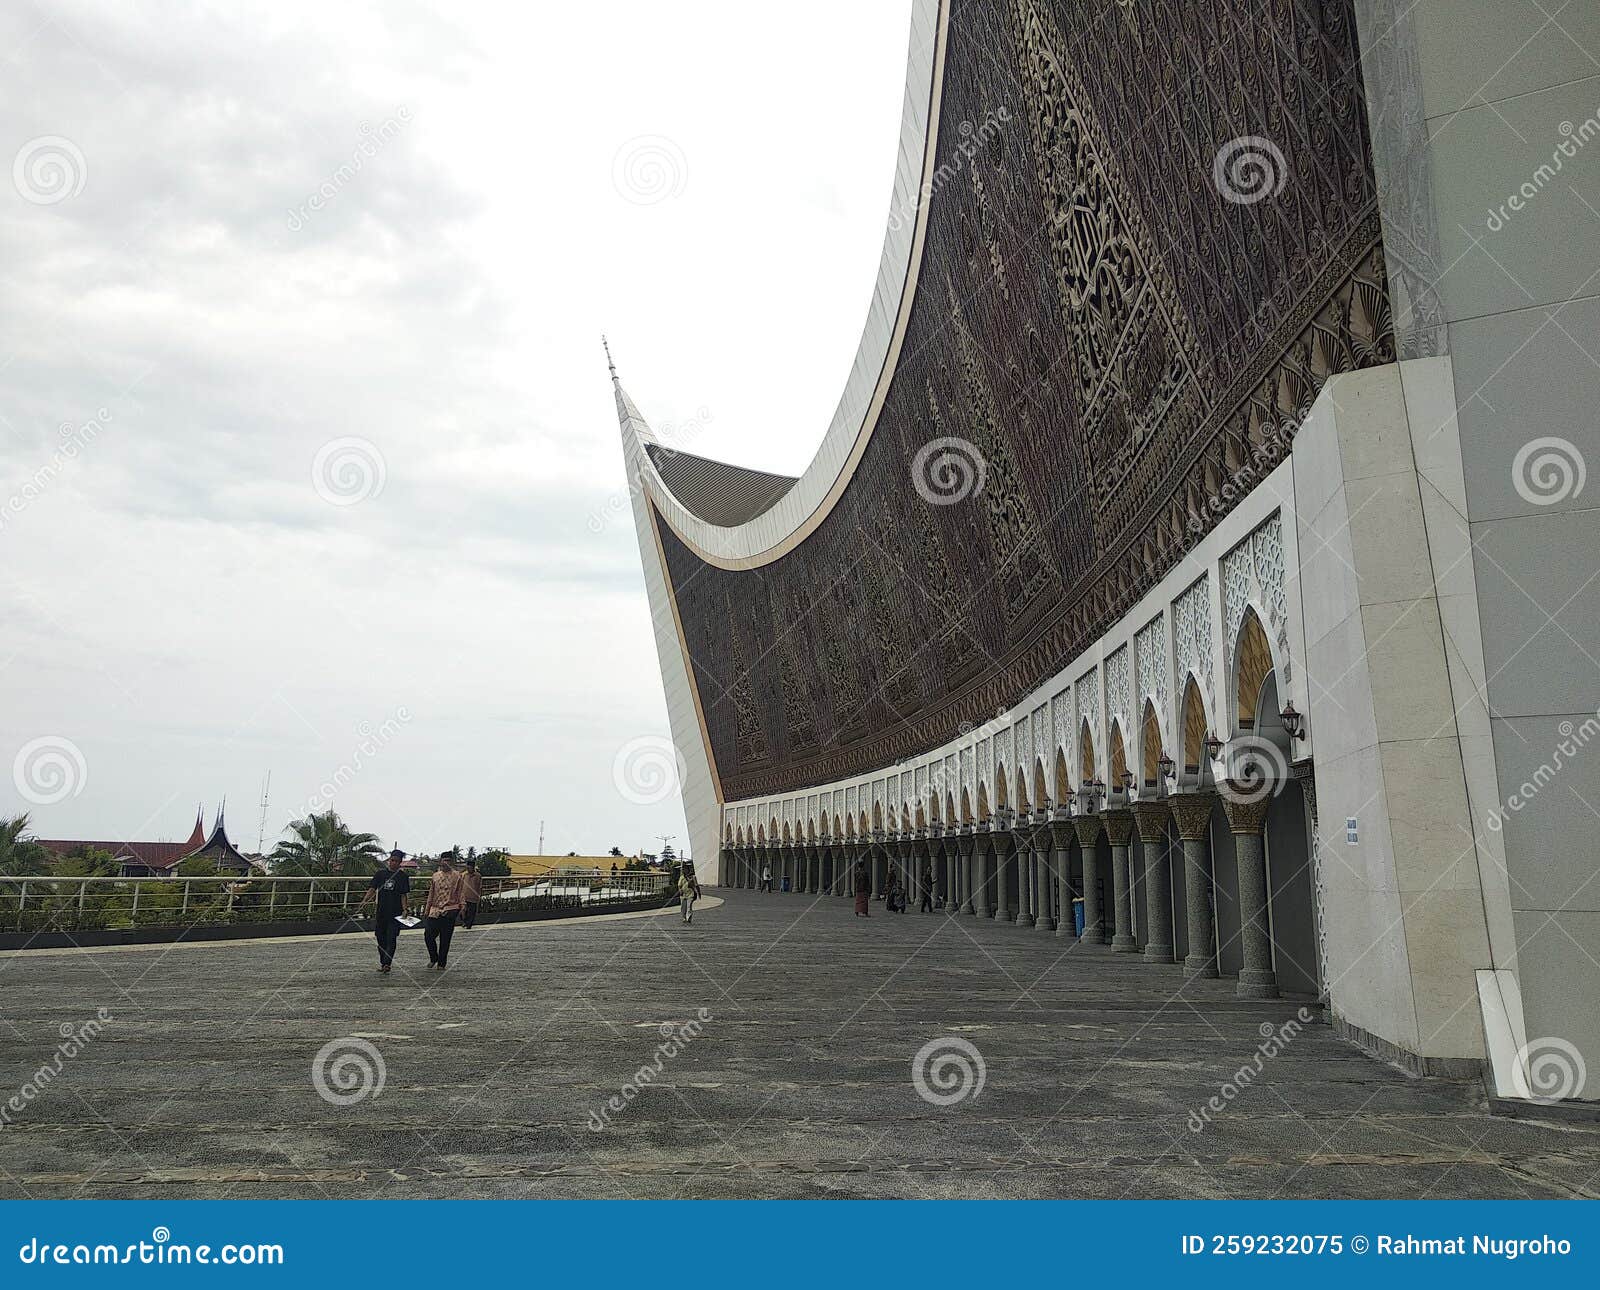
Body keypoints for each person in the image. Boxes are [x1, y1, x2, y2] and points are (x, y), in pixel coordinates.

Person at [358, 848, 411, 973]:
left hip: (396, 913)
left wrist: (405, 909)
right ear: (389, 860)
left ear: (400, 863)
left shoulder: (403, 877)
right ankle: (383, 962)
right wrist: (364, 901)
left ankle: (387, 963)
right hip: (381, 912)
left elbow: (403, 895)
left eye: (396, 861)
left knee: (391, 938)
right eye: (392, 860)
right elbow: (372, 889)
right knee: (380, 938)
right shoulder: (380, 874)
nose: (393, 863)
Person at [423, 853, 465, 970]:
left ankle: (441, 963)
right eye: (444, 860)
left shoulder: (458, 876)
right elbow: (431, 893)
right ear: (440, 861)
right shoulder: (435, 876)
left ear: (452, 862)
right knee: (428, 935)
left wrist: (462, 907)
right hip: (435, 910)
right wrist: (427, 909)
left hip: (450, 910)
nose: (446, 863)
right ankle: (433, 957)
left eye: (448, 860)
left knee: (445, 939)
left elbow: (461, 892)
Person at [459, 858, 482, 929]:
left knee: (471, 912)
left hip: (473, 897)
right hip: (464, 897)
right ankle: (464, 922)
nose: (468, 869)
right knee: (463, 911)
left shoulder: (478, 876)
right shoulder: (464, 875)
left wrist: (479, 896)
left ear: (473, 867)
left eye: (470, 868)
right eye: (467, 868)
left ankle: (469, 925)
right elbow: (460, 885)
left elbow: (479, 887)